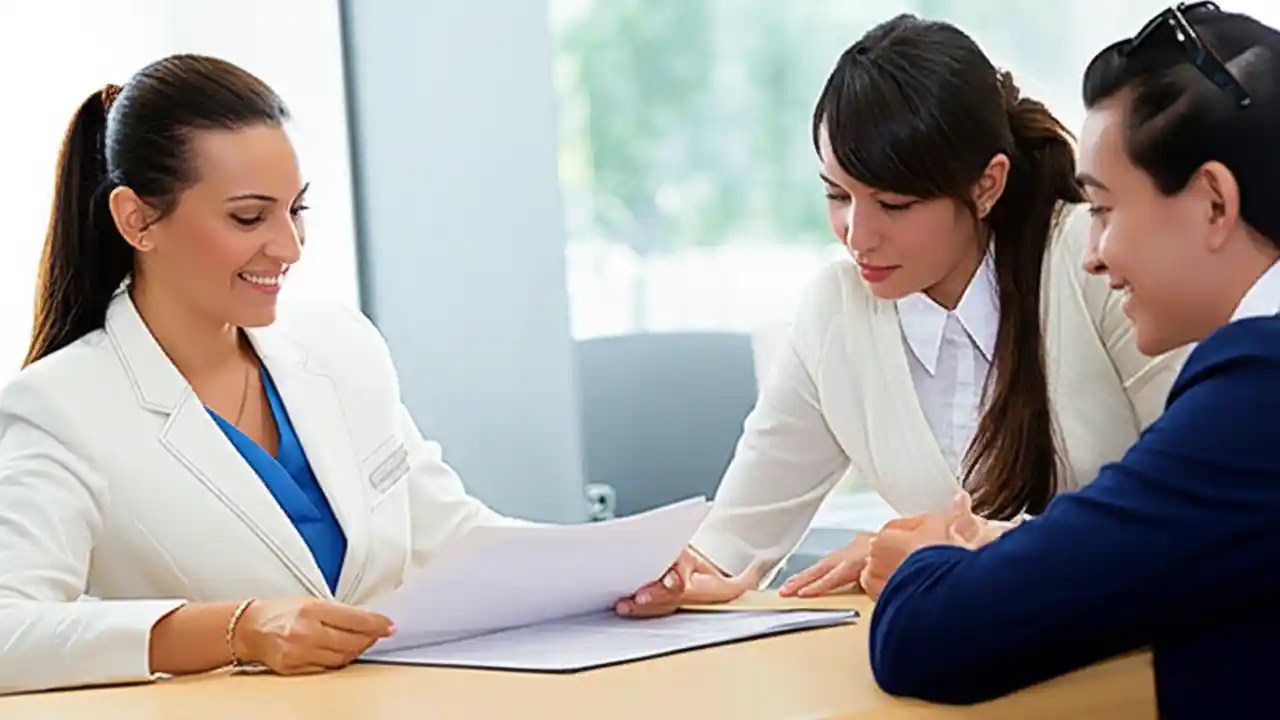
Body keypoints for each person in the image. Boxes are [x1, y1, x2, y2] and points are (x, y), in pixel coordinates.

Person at [620, 14, 1187, 617]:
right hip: (965, 671)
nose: (857, 236)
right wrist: (668, 576)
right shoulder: (835, 310)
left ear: (987, 185)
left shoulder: (1094, 262)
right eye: (837, 195)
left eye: (893, 204)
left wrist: (946, 555)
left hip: (1129, 658)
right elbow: (730, 543)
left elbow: (1192, 503)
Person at [0, 54, 523, 695]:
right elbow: (8, 633)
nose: (289, 246)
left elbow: (452, 535)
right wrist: (238, 629)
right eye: (249, 217)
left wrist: (619, 571)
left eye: (295, 210)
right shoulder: (60, 407)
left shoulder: (341, 346)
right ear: (136, 220)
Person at [864, 4, 1280, 716]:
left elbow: (928, 638)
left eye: (1105, 209)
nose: (1092, 254)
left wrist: (928, 559)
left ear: (1214, 203)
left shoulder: (1257, 397)